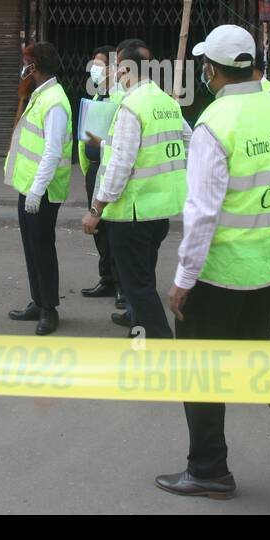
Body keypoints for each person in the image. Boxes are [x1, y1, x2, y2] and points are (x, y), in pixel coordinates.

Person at [159, 24, 270, 500]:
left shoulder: (214, 124)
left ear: (213, 71)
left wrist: (182, 279)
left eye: (205, 66)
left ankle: (208, 469)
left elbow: (201, 214)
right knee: (261, 355)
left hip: (221, 276)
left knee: (200, 369)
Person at [82, 40, 188, 340]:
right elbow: (188, 140)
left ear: (127, 69)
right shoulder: (166, 101)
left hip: (132, 213)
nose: (115, 73)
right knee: (144, 276)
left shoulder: (131, 105)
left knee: (136, 285)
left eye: (118, 68)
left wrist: (96, 210)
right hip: (160, 212)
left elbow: (120, 165)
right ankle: (139, 328)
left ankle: (160, 341)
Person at [6, 42, 73, 336]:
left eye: (25, 62)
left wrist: (36, 190)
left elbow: (52, 151)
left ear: (34, 66)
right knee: (31, 248)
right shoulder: (40, 94)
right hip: (30, 187)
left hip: (42, 190)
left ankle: (49, 309)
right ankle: (37, 300)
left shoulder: (55, 102)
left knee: (43, 249)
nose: (23, 67)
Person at [78, 46, 120, 301]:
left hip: (111, 172)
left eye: (100, 63)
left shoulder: (120, 98)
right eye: (93, 62)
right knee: (99, 231)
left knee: (114, 231)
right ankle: (107, 279)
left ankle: (120, 285)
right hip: (94, 172)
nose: (94, 67)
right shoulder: (96, 96)